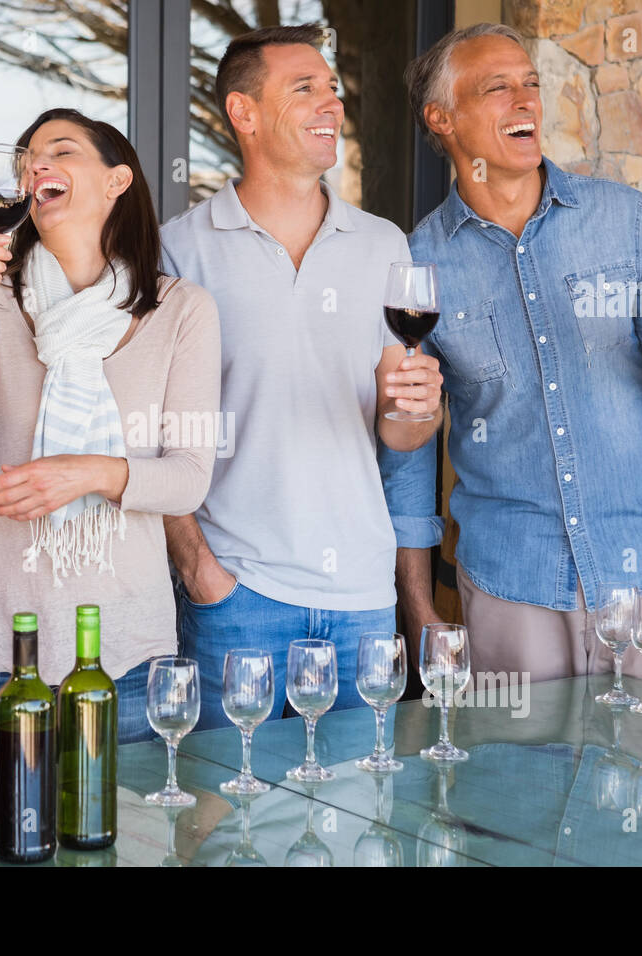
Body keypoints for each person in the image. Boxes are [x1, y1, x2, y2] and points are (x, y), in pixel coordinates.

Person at [403, 23, 642, 689]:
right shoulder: (419, 264)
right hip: (513, 588)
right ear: (441, 119)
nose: (526, 100)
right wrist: (416, 606)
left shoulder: (625, 219)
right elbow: (410, 448)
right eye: (497, 88)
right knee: (520, 790)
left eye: (530, 83)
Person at [161, 25, 446, 731]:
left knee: (360, 824)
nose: (332, 103)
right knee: (234, 828)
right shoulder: (181, 249)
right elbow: (152, 434)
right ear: (245, 114)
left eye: (333, 88)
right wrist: (201, 572)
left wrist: (420, 410)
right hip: (238, 597)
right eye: (305, 88)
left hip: (362, 598)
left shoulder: (382, 243)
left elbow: (401, 433)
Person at [0, 109, 220, 744]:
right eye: (28, 155)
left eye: (61, 151)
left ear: (117, 182)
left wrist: (86, 474)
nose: (36, 164)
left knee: (128, 840)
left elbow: (188, 481)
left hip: (127, 654)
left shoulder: (181, 311)